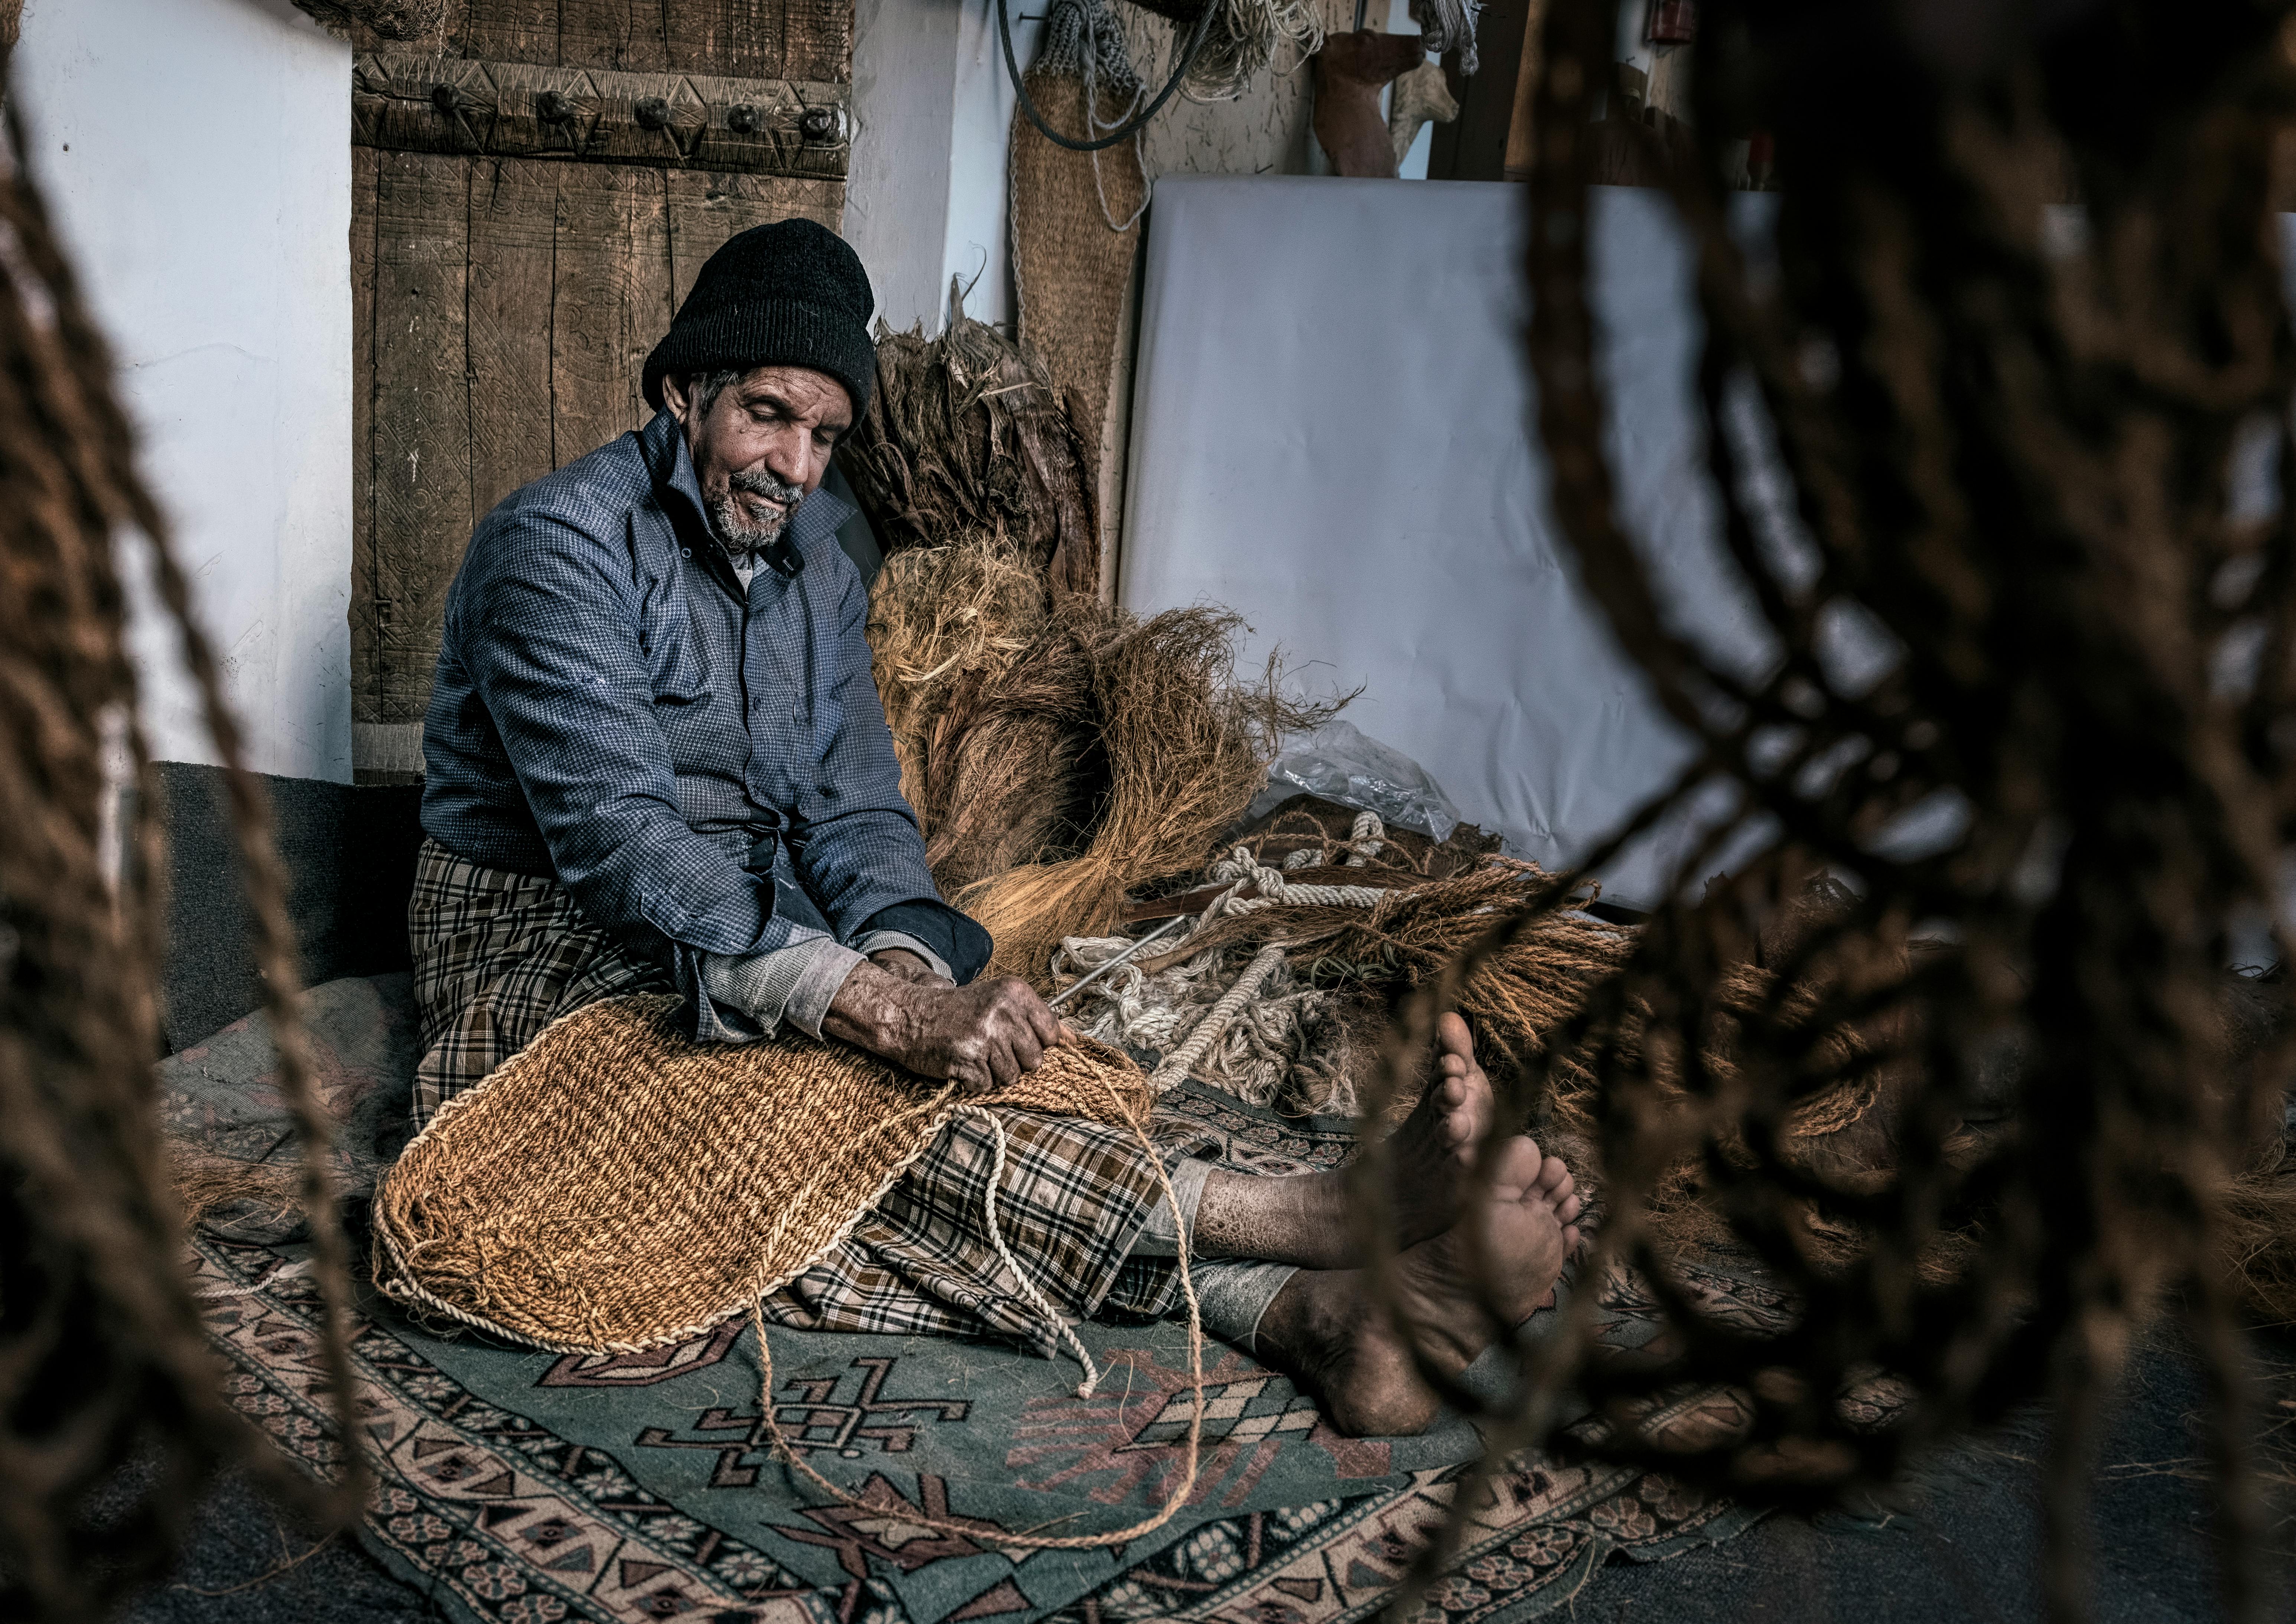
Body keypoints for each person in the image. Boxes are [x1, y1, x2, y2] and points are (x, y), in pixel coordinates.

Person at [407, 218, 1580, 1435]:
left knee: (1004, 1075)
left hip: (740, 920)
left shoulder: (817, 567)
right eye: (766, 413)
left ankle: (1308, 1318)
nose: (796, 468)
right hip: (544, 929)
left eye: (826, 437)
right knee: (785, 1116)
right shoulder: (559, 547)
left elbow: (857, 809)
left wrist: (908, 971)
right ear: (679, 392)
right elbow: (623, 843)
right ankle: (1309, 1225)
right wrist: (888, 1014)